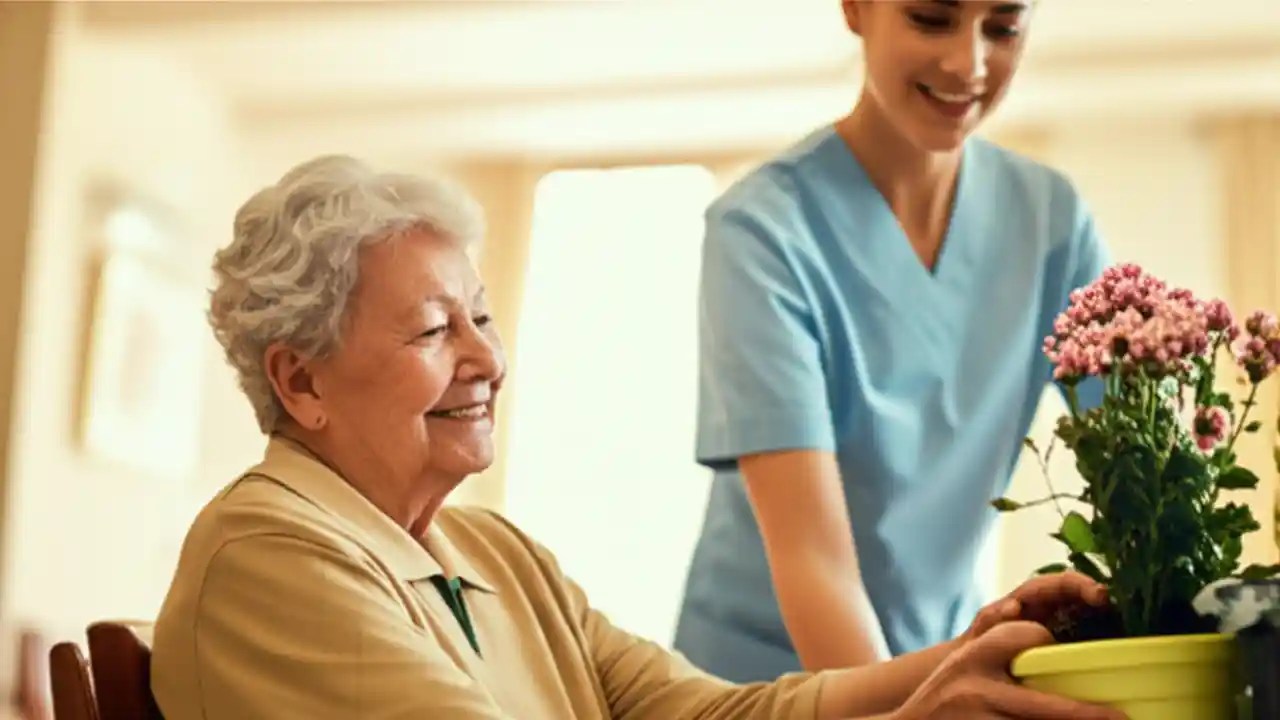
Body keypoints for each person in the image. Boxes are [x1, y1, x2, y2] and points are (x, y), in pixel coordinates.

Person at [150, 155, 1123, 720]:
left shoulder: (492, 551)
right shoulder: (270, 559)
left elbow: (715, 712)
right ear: (300, 378)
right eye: (432, 330)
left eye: (480, 318)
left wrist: (963, 653)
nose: (485, 361)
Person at [672, 0, 1112, 682]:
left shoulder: (1052, 222)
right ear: (855, 8)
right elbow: (812, 559)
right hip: (766, 682)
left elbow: (1143, 474)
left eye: (1003, 26)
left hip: (938, 654)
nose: (968, 63)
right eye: (931, 18)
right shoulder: (761, 231)